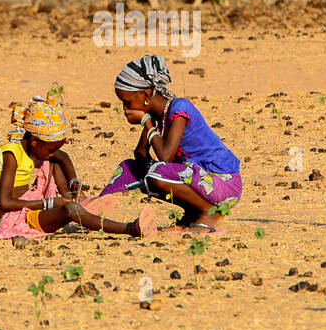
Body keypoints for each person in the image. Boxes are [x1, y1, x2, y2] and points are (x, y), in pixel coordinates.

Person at [98, 55, 242, 232]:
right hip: (198, 178)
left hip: (222, 182)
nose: (125, 109)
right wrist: (149, 125)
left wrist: (146, 122)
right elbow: (140, 154)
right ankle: (191, 214)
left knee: (156, 174)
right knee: (134, 169)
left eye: (127, 103)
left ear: (145, 94)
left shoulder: (179, 109)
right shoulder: (160, 118)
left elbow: (166, 156)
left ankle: (209, 212)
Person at [0, 95, 154, 246]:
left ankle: (77, 199)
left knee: (52, 161)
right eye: (51, 148)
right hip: (19, 217)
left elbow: (62, 156)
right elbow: (4, 203)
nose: (53, 153)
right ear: (35, 141)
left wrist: (74, 182)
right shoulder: (12, 155)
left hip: (32, 203)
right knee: (70, 210)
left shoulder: (34, 145)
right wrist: (49, 203)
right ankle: (131, 228)